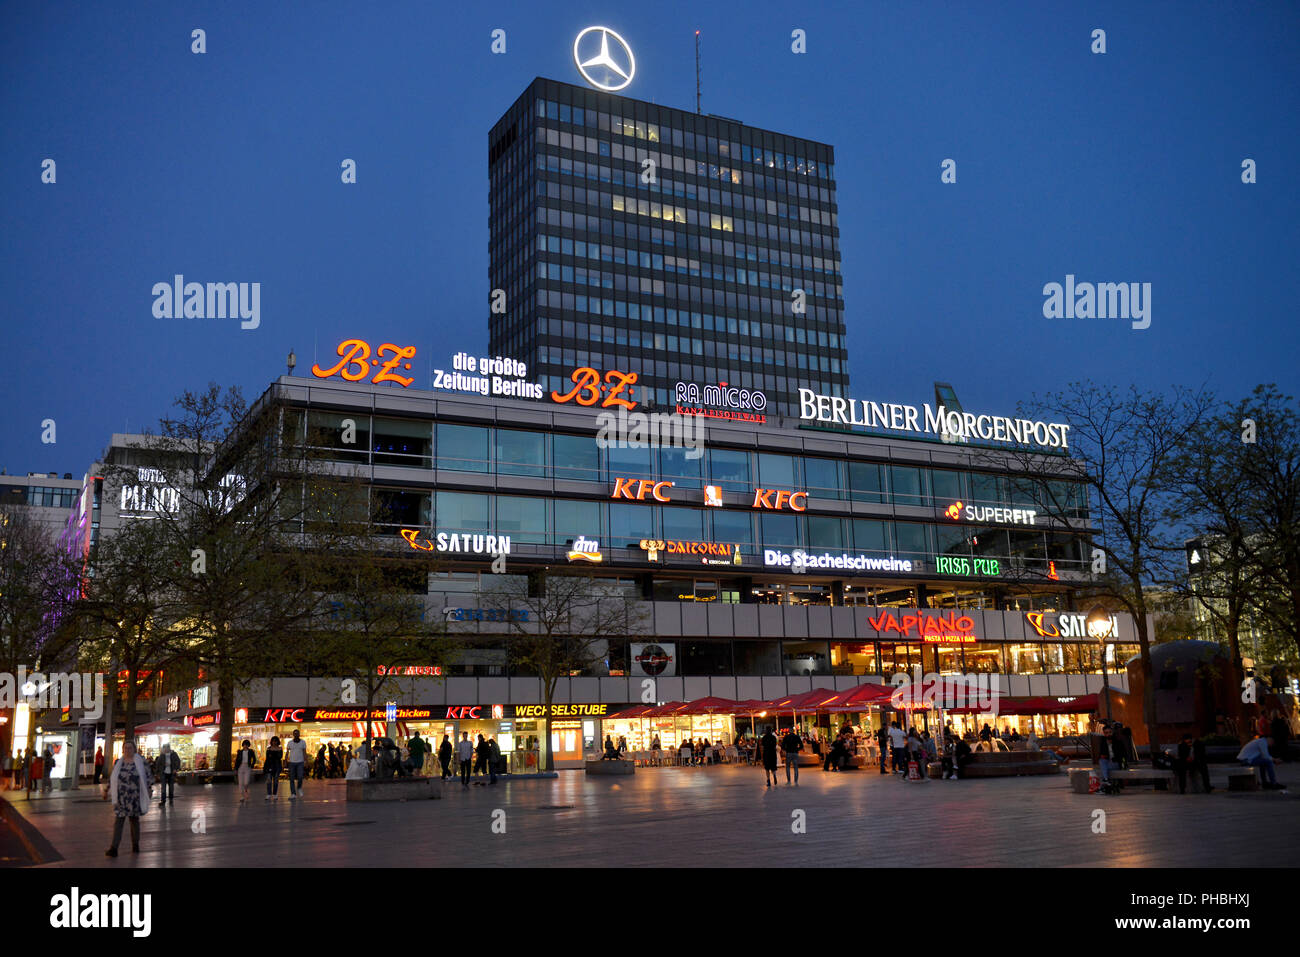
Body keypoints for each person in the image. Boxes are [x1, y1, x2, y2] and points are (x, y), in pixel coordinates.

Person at [103, 740, 152, 857]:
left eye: (130, 748)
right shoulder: (118, 763)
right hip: (121, 798)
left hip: (134, 797)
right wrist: (106, 790)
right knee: (118, 822)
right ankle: (114, 848)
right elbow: (113, 778)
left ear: (134, 749)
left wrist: (149, 790)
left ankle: (135, 845)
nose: (127, 750)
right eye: (125, 748)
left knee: (134, 821)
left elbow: (148, 776)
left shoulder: (141, 762)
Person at [285, 729, 309, 799]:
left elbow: (304, 752)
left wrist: (306, 761)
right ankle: (293, 793)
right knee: (291, 778)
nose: (296, 735)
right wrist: (285, 761)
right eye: (294, 733)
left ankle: (299, 787)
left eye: (297, 733)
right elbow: (287, 752)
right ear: (293, 734)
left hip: (300, 762)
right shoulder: (290, 742)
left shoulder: (303, 742)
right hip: (292, 762)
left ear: (299, 734)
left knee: (300, 776)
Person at [263, 736, 283, 801]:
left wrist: (272, 755)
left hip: (277, 766)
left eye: (275, 741)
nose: (274, 742)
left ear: (278, 742)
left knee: (276, 781)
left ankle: (275, 794)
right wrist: (265, 767)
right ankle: (268, 794)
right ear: (271, 742)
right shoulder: (268, 749)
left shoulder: (280, 748)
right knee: (269, 780)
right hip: (269, 766)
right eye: (273, 741)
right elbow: (268, 758)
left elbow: (279, 757)